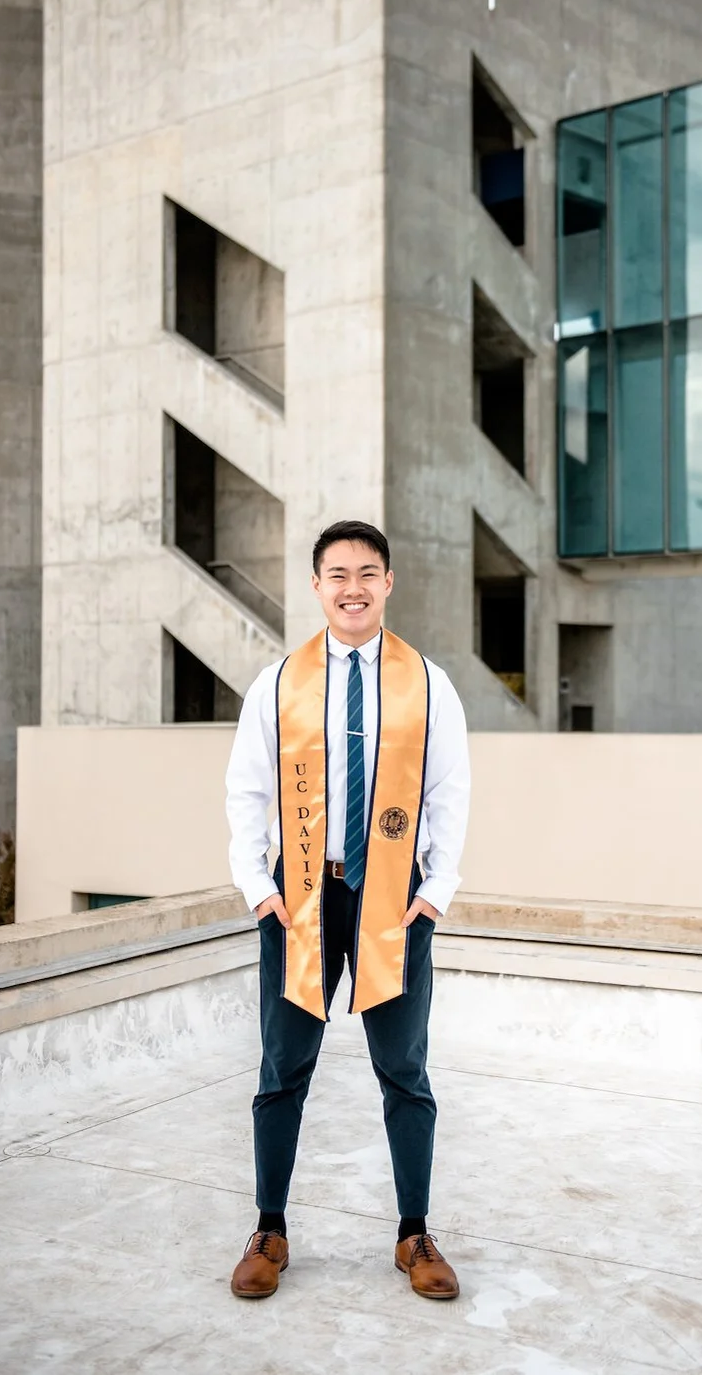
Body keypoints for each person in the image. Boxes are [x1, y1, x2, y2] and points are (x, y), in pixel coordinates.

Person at [225, 520, 470, 1301]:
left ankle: (414, 1232)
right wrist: (257, 888)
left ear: (389, 582)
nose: (353, 586)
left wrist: (433, 894)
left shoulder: (429, 684)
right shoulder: (278, 682)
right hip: (300, 892)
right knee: (282, 1066)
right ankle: (269, 1227)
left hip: (394, 895)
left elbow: (450, 792)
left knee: (404, 1067)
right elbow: (246, 788)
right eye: (338, 573)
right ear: (316, 585)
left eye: (368, 572)